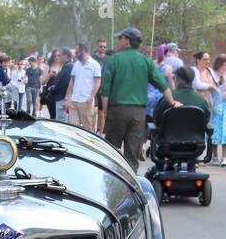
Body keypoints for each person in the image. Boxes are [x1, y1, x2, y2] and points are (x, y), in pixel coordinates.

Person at [99, 27, 174, 170]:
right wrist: (172, 102)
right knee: (132, 154)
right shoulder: (146, 62)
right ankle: (131, 185)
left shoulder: (114, 60)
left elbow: (105, 91)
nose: (119, 41)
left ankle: (112, 181)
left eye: (121, 38)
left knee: (111, 151)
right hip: (139, 113)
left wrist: (106, 112)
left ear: (127, 40)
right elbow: (162, 85)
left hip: (117, 110)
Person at [67, 44, 101, 132]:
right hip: (74, 101)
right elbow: (71, 82)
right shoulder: (76, 64)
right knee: (72, 128)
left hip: (86, 101)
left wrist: (91, 97)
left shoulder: (95, 65)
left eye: (77, 52)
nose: (76, 55)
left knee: (88, 130)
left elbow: (97, 82)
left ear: (84, 51)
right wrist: (68, 98)